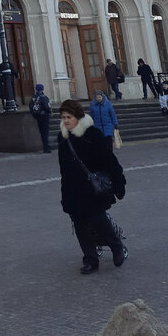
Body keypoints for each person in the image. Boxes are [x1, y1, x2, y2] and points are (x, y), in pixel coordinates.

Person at [57, 99, 127, 275]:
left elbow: (110, 160)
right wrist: (64, 191)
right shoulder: (63, 137)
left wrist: (119, 183)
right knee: (80, 226)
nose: (65, 121)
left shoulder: (92, 135)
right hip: (72, 190)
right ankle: (90, 259)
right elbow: (63, 168)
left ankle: (116, 246)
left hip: (92, 190)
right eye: (63, 117)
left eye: (69, 117)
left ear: (78, 117)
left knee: (99, 220)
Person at [28, 84, 52, 153]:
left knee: (42, 132)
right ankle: (46, 147)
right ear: (42, 89)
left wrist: (34, 115)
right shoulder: (44, 97)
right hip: (44, 116)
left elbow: (31, 107)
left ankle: (45, 146)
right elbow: (47, 107)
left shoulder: (33, 98)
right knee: (45, 132)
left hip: (38, 116)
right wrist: (49, 112)